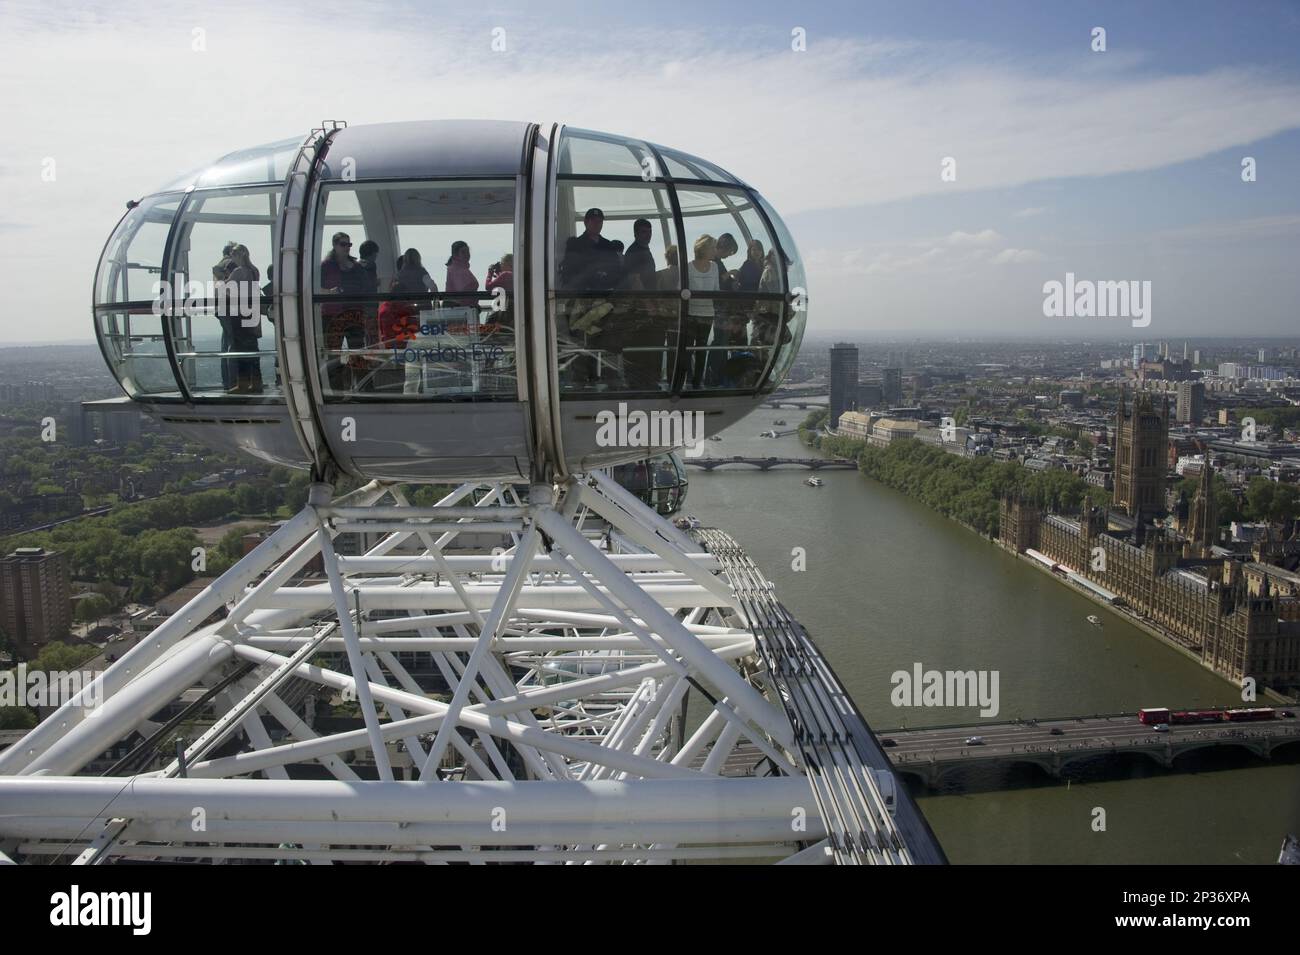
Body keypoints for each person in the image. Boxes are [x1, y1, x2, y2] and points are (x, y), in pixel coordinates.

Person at [319, 231, 372, 392]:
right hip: (333, 315)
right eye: (343, 244)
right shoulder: (325, 266)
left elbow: (367, 289)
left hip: (354, 314)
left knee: (358, 352)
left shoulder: (356, 267)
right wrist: (329, 293)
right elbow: (315, 290)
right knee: (334, 354)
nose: (347, 248)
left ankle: (364, 389)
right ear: (335, 246)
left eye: (349, 244)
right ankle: (337, 391)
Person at [682, 234, 720, 389]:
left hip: (707, 314)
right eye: (713, 247)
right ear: (704, 249)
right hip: (691, 313)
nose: (715, 251)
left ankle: (698, 381)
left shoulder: (715, 267)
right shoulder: (688, 267)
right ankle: (688, 379)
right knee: (688, 348)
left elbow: (716, 289)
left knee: (701, 348)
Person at [225, 244, 263, 394]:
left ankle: (242, 384)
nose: (232, 258)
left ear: (238, 255)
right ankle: (256, 382)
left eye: (233, 255)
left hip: (240, 313)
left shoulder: (238, 272)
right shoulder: (254, 271)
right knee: (252, 347)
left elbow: (225, 290)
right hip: (252, 313)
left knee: (241, 349)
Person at [213, 242, 238, 391]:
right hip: (231, 307)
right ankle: (234, 381)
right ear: (231, 252)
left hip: (221, 308)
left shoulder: (219, 265)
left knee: (226, 343)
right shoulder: (230, 264)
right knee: (234, 344)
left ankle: (227, 381)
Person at [622, 219, 656, 290]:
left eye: (650, 232)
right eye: (644, 232)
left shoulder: (644, 249)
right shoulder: (634, 252)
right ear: (636, 234)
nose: (648, 235)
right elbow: (634, 280)